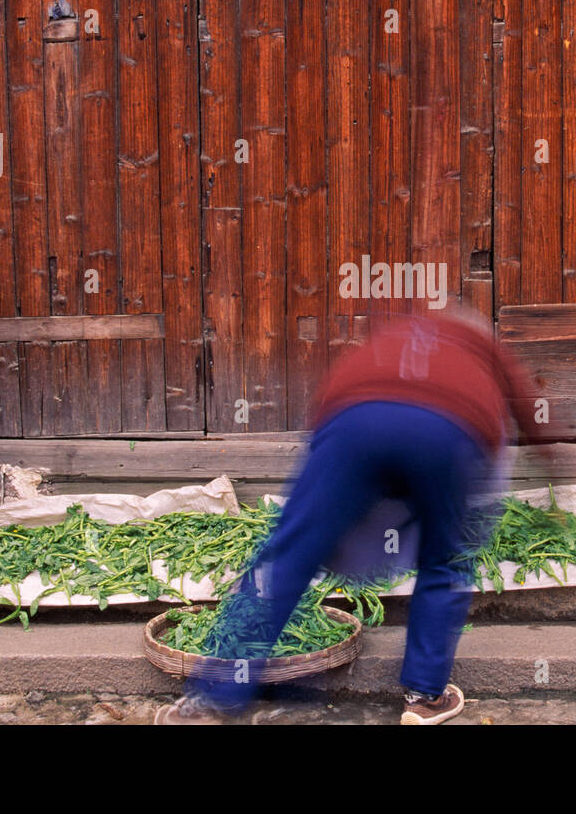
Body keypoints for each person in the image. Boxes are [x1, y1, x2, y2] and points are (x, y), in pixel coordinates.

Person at [156, 306, 554, 726]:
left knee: (290, 552)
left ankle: (212, 701)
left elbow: (327, 403)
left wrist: (331, 499)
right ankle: (424, 697)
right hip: (450, 433)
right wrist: (551, 455)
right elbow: (527, 409)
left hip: (354, 422)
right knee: (447, 561)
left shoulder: (389, 339)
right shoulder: (480, 345)